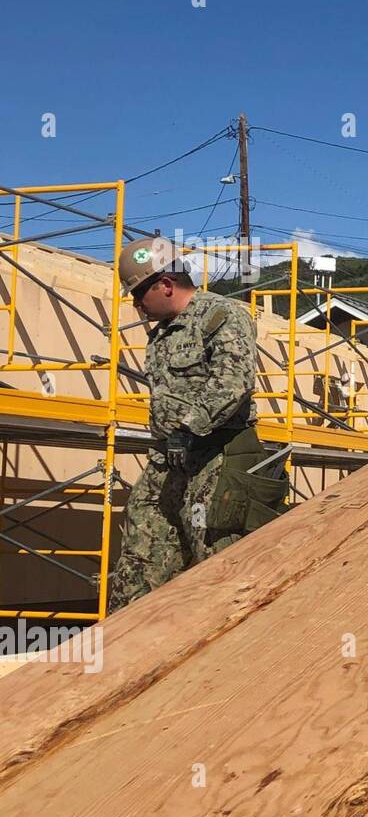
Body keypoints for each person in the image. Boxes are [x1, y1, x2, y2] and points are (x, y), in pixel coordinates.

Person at [109, 236, 284, 612]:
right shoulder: (161, 335)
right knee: (139, 560)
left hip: (217, 457)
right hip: (170, 460)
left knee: (219, 567)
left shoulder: (222, 315)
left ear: (165, 285)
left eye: (139, 294)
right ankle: (123, 651)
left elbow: (233, 382)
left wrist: (189, 428)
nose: (137, 304)